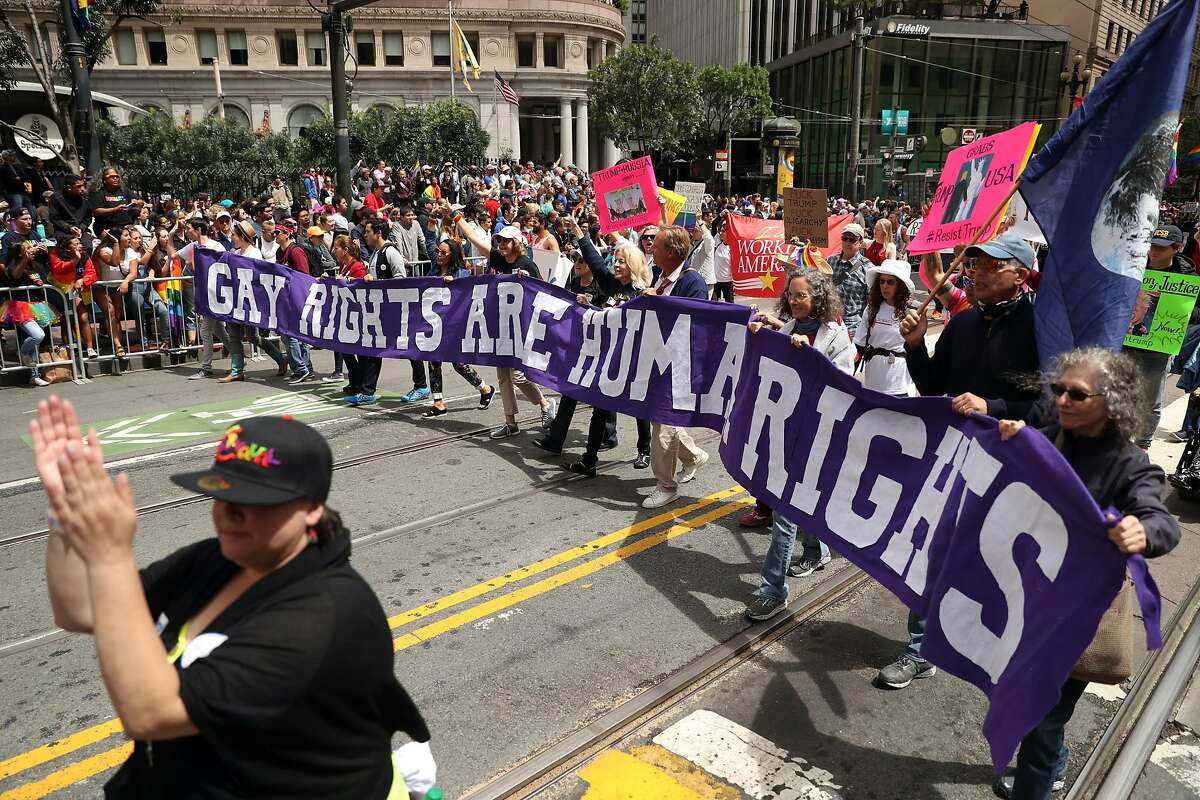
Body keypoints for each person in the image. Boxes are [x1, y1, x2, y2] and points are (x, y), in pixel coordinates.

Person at [33, 401, 435, 798]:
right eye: (222, 493)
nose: (230, 513)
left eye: (257, 501)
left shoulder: (325, 613)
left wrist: (109, 556)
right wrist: (64, 514)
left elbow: (151, 713)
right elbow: (82, 609)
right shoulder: (216, 560)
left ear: (311, 509)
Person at [992, 348, 1179, 800]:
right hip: (1032, 603)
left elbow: (1161, 520)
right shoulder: (1053, 435)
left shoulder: (1129, 464)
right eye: (1058, 390)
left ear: (1112, 402)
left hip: (1078, 621)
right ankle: (1051, 764)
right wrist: (1014, 435)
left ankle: (1036, 784)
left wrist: (1142, 529)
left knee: (1042, 720)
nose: (1062, 400)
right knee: (1031, 708)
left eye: (1076, 393)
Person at [881, 231, 1041, 689]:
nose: (976, 272)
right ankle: (919, 648)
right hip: (954, 460)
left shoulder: (1041, 328)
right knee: (932, 550)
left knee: (1000, 564)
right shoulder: (963, 323)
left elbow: (1050, 404)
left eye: (991, 265)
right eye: (973, 264)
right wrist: (914, 347)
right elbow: (934, 387)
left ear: (1020, 275)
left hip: (1012, 469)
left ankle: (1001, 646)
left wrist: (995, 408)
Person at [743, 268, 854, 620]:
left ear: (818, 298)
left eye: (801, 296)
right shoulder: (788, 329)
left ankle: (772, 589)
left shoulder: (836, 337)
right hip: (786, 433)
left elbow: (844, 386)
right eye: (791, 295)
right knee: (789, 504)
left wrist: (812, 357)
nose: (794, 301)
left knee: (784, 512)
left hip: (815, 436)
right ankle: (817, 550)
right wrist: (762, 337)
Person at [454, 215, 558, 438]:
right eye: (499, 241)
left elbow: (544, 292)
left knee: (518, 375)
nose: (501, 245)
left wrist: (528, 279)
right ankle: (510, 422)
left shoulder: (526, 263)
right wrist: (456, 217)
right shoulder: (500, 261)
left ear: (516, 243)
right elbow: (473, 237)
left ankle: (544, 403)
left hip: (522, 326)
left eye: (505, 241)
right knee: (503, 375)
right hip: (502, 324)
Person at [561, 241, 657, 476]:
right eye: (615, 260)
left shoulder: (642, 293)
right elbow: (594, 261)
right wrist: (580, 235)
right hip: (610, 359)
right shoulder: (611, 285)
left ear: (633, 265)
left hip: (633, 360)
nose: (616, 265)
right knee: (599, 408)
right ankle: (589, 461)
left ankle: (645, 450)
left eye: (621, 261)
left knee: (639, 408)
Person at [641, 226, 709, 509]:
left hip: (680, 366)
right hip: (660, 360)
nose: (650, 250)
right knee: (661, 421)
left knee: (663, 423)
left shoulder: (693, 281)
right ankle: (693, 456)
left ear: (670, 252)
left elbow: (697, 322)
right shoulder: (662, 277)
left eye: (655, 247)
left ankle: (667, 485)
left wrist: (659, 302)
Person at [1125, 224, 1196, 450]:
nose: (1154, 252)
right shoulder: (1133, 267)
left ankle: (1143, 444)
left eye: (1162, 248)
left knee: (1151, 398)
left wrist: (1182, 312)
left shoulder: (1188, 278)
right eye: (1152, 246)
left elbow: (1197, 311)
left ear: (1177, 248)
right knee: (1118, 390)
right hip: (1125, 341)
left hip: (1158, 347)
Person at [421, 239, 496, 417]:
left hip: (455, 325)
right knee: (433, 361)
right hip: (436, 323)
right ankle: (438, 402)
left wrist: (454, 283)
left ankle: (485, 389)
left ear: (452, 255)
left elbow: (467, 296)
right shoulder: (434, 269)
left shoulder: (462, 272)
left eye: (443, 253)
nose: (439, 255)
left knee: (459, 363)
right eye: (438, 251)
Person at [219, 221, 288, 383]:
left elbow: (258, 276)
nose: (232, 237)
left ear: (242, 237)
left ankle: (281, 359)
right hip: (234, 301)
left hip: (249, 301)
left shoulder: (254, 254)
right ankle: (237, 370)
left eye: (235, 235)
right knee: (234, 335)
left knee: (252, 336)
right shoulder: (233, 252)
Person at [332, 234, 380, 405]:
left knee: (360, 353)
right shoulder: (344, 265)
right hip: (349, 317)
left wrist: (344, 282)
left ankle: (361, 385)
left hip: (359, 317)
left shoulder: (357, 266)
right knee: (346, 349)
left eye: (336, 248)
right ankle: (355, 382)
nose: (333, 251)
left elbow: (359, 290)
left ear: (345, 250)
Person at [855, 259, 915, 397]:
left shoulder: (912, 313)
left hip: (900, 384)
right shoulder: (871, 309)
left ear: (900, 285)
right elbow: (858, 346)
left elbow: (918, 351)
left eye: (890, 282)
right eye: (882, 281)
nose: (885, 286)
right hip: (873, 382)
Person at [1, 241, 53, 386]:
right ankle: (22, 353)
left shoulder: (34, 265)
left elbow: (44, 277)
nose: (32, 250)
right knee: (37, 335)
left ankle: (34, 375)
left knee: (34, 342)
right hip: (20, 308)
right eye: (28, 248)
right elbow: (16, 275)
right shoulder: (13, 266)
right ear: (19, 253)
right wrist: (25, 258)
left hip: (37, 307)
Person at [274, 224, 318, 383]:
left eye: (277, 232)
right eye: (273, 232)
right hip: (286, 299)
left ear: (287, 234)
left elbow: (304, 276)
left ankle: (300, 369)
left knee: (289, 334)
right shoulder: (280, 252)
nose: (275, 235)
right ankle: (306, 368)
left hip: (297, 298)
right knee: (296, 335)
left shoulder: (296, 251)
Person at [48, 235, 98, 358]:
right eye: (75, 244)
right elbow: (58, 270)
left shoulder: (85, 256)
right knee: (66, 321)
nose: (79, 245)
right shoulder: (56, 255)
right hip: (61, 293)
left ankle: (90, 348)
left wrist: (83, 280)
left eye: (79, 243)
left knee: (84, 318)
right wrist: (75, 260)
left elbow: (92, 273)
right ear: (67, 248)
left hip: (81, 292)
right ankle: (69, 347)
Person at [827, 222, 871, 337]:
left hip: (852, 328)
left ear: (860, 242)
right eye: (844, 238)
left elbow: (871, 303)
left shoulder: (868, 268)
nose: (847, 242)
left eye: (852, 240)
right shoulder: (830, 261)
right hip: (828, 323)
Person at [711, 223, 734, 302]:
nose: (720, 233)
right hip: (715, 280)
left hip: (728, 281)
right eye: (720, 231)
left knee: (730, 304)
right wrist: (722, 215)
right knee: (713, 304)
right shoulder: (717, 242)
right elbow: (714, 225)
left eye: (723, 231)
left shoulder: (733, 248)